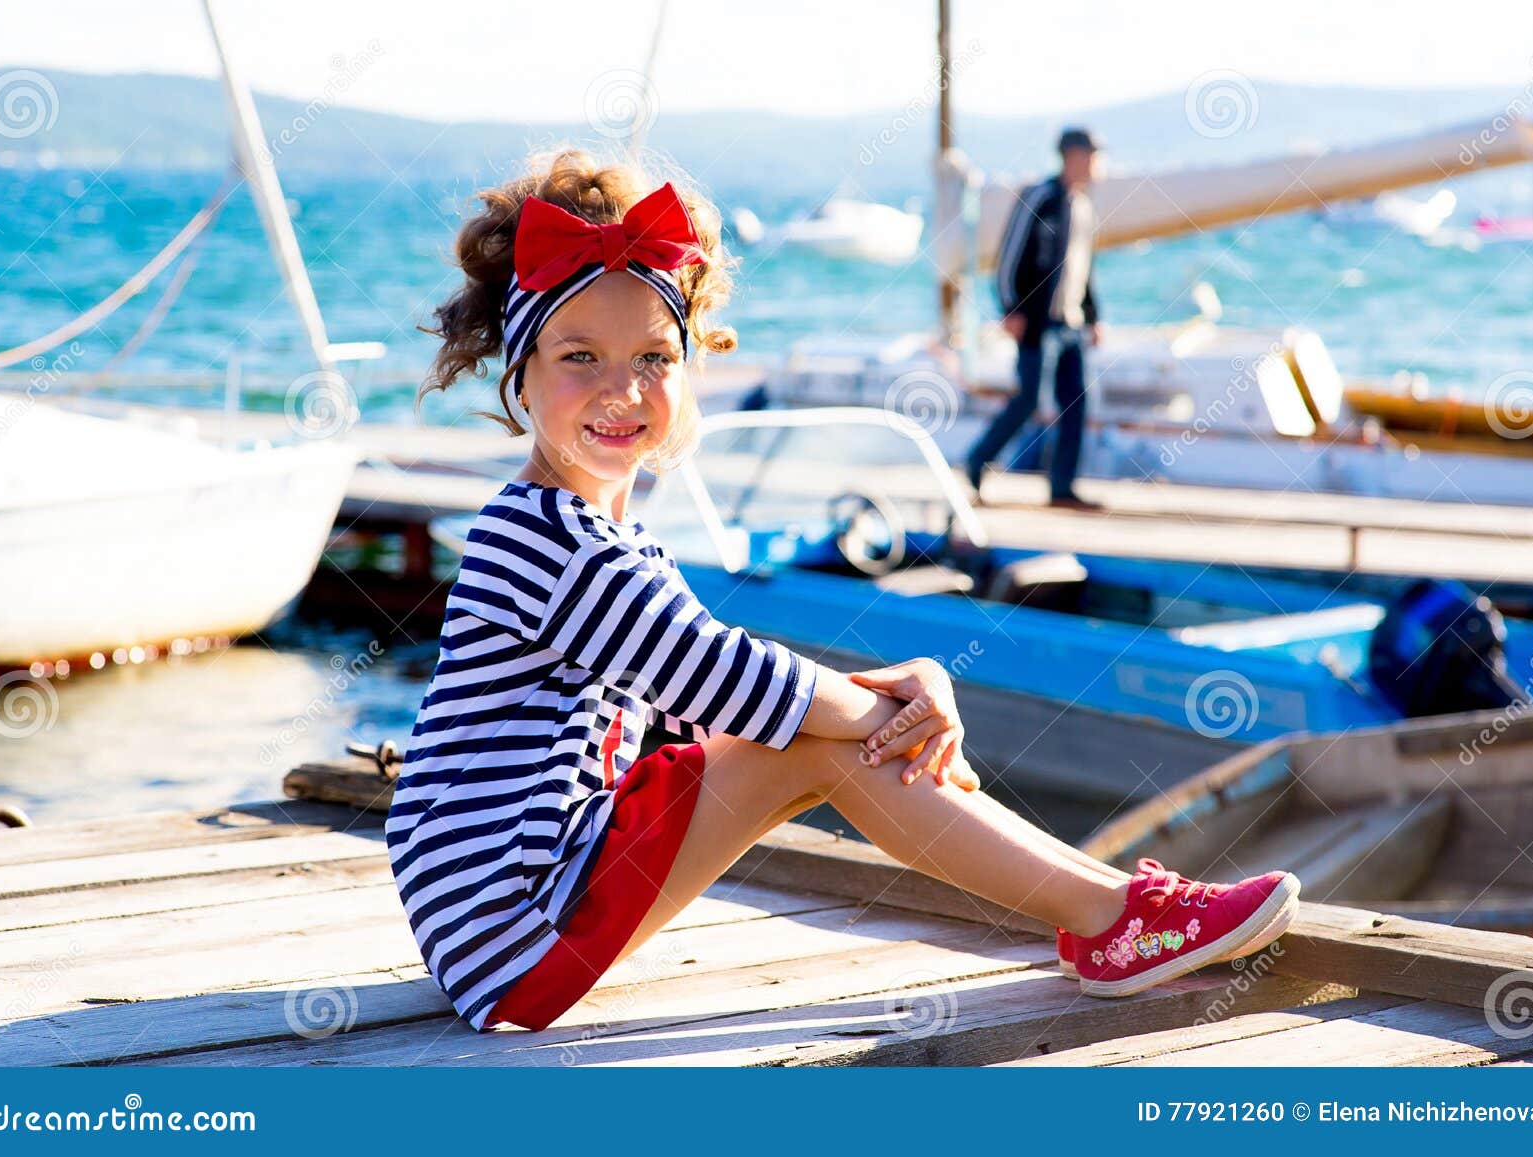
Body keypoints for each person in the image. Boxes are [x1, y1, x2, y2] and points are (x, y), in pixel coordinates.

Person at [391, 147, 1299, 1034]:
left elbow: (706, 707)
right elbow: (729, 679)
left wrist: (887, 701)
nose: (621, 390)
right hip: (512, 925)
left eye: (655, 359)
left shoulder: (589, 534)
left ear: (690, 365)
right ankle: (1111, 918)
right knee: (821, 742)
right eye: (578, 357)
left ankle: (1106, 910)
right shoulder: (551, 544)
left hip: (509, 912)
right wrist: (893, 716)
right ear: (521, 372)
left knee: (821, 734)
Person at [967, 126, 1104, 510]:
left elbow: (1083, 267)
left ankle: (1062, 487)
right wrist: (1011, 309)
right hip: (1038, 323)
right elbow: (1009, 257)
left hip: (1071, 323)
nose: (1097, 164)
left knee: (1076, 403)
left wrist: (1093, 316)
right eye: (1092, 156)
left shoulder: (1083, 204)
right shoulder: (1041, 198)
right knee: (1029, 399)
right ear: (1073, 156)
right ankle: (978, 462)